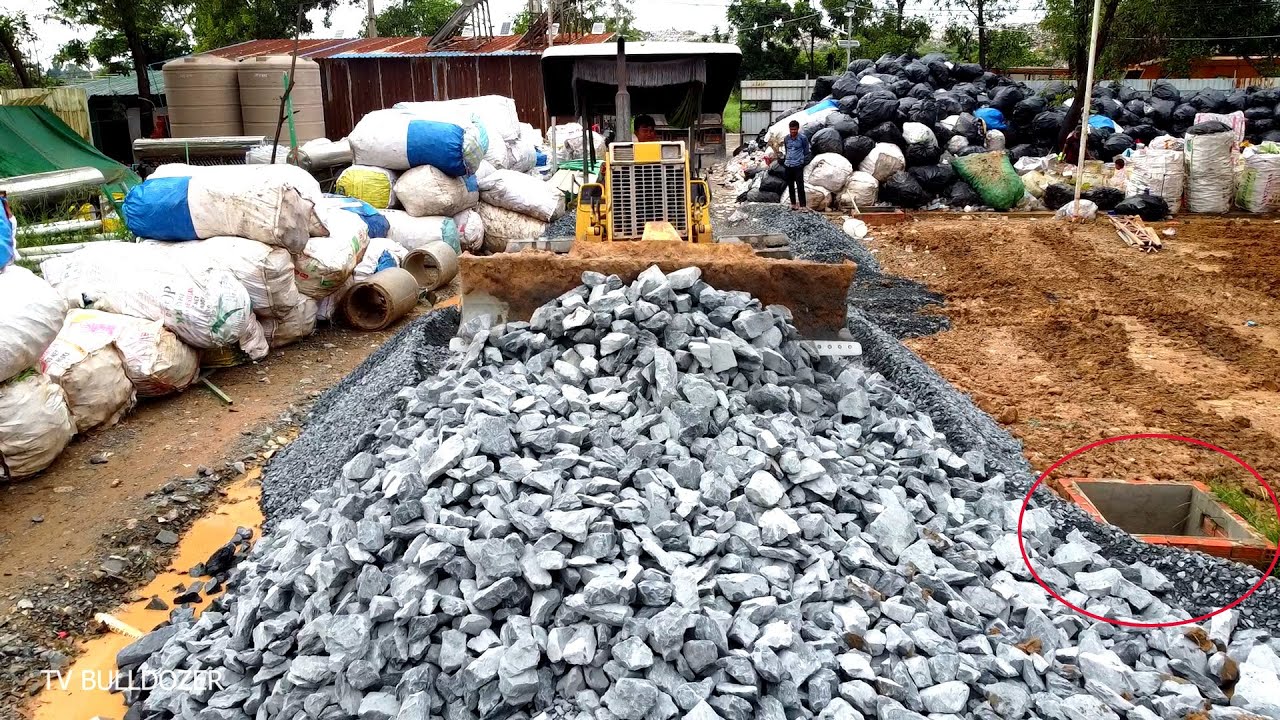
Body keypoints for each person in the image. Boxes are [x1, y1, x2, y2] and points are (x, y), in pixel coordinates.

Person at [782, 120, 810, 210]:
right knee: (790, 185)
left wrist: (802, 162)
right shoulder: (786, 138)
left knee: (800, 186)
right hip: (788, 165)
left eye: (794, 129)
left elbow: (806, 152)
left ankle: (803, 206)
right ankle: (793, 204)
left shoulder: (803, 138)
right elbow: (787, 150)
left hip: (798, 165)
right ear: (789, 129)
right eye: (791, 129)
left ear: (798, 129)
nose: (793, 131)